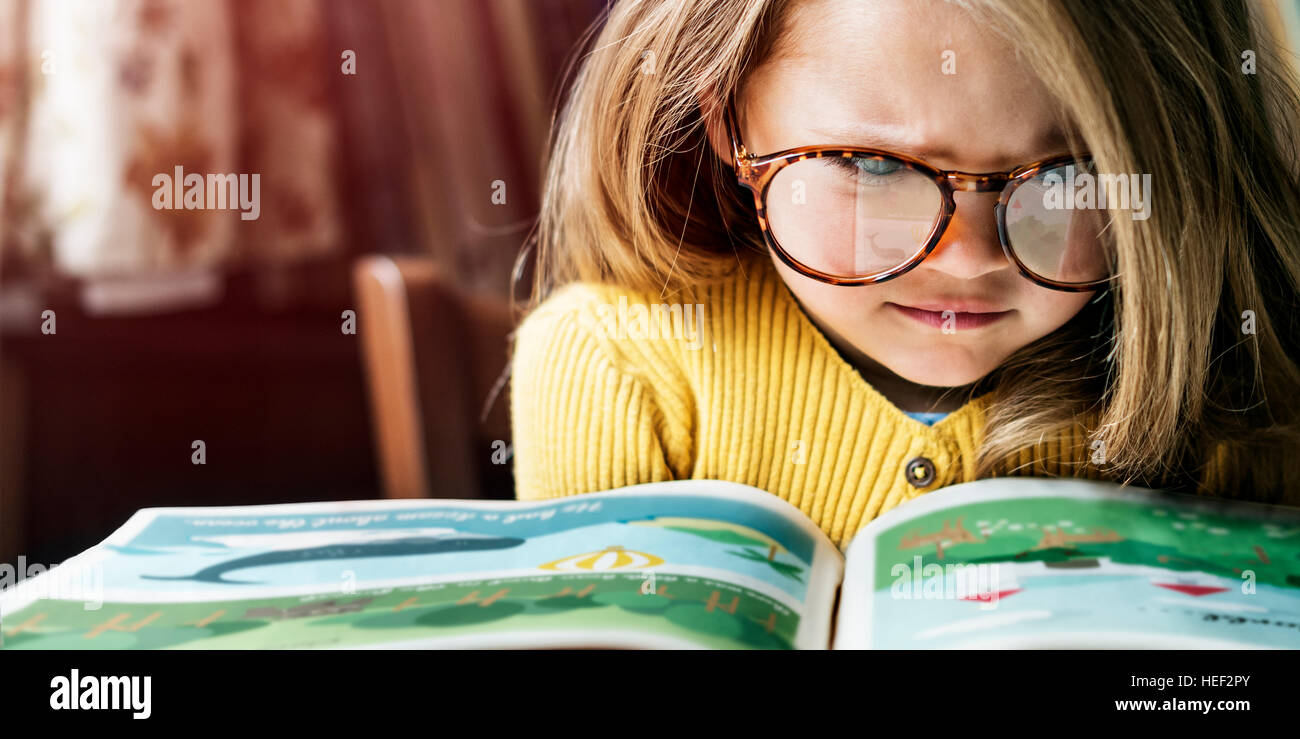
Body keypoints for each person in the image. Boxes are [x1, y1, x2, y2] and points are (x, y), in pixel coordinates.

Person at [510, 0, 1300, 549]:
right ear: (727, 120)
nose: (966, 258)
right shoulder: (616, 366)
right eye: (870, 163)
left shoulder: (1234, 393)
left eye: (1067, 176)